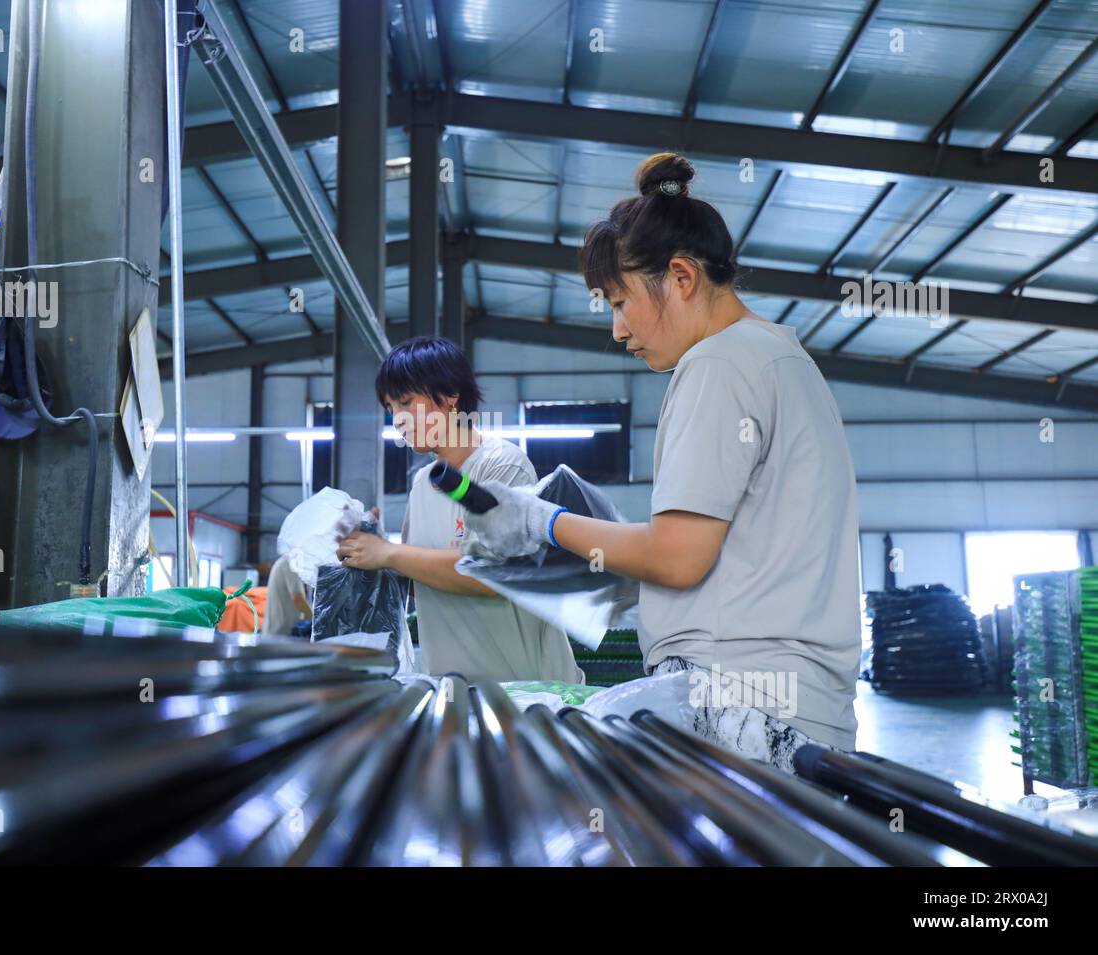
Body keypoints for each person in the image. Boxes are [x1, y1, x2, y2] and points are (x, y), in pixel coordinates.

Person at [462, 153, 861, 771]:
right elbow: (729, 555)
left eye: (620, 302)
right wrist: (620, 569)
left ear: (680, 276)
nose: (618, 330)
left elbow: (678, 557)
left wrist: (539, 523)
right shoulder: (780, 358)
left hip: (739, 707)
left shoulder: (718, 364)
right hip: (795, 711)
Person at [336, 336, 582, 684]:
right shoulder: (423, 483)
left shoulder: (503, 466)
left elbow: (493, 575)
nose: (398, 420)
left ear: (451, 396)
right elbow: (416, 576)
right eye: (391, 408)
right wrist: (367, 549)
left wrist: (389, 553)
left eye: (406, 402)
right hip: (453, 686)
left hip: (524, 689)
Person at [263, 555, 310, 635]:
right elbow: (298, 599)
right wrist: (314, 619)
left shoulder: (286, 561)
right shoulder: (291, 563)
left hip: (279, 632)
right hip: (280, 633)